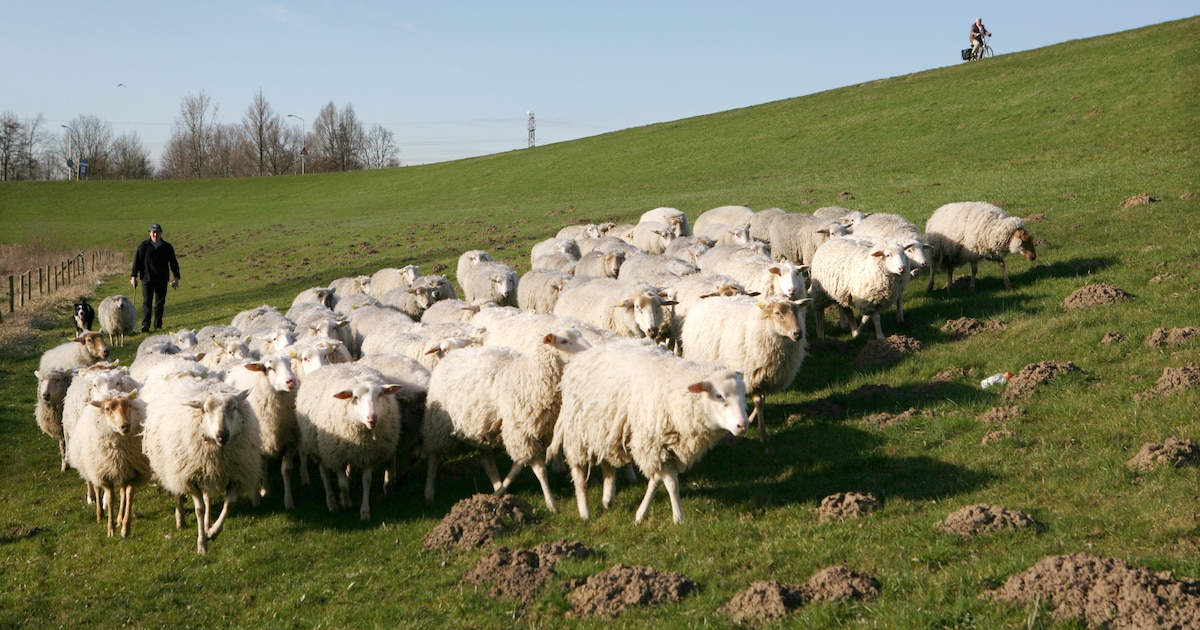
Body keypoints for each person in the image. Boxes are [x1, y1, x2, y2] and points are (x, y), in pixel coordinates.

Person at [130, 223, 180, 332]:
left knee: (159, 303)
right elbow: (136, 262)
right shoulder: (143, 246)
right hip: (147, 279)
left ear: (161, 233)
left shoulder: (167, 247)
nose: (155, 234)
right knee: (147, 302)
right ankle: (145, 325)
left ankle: (157, 325)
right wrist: (134, 276)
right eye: (153, 232)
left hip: (162, 279)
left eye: (157, 232)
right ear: (150, 233)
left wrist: (176, 276)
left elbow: (173, 262)